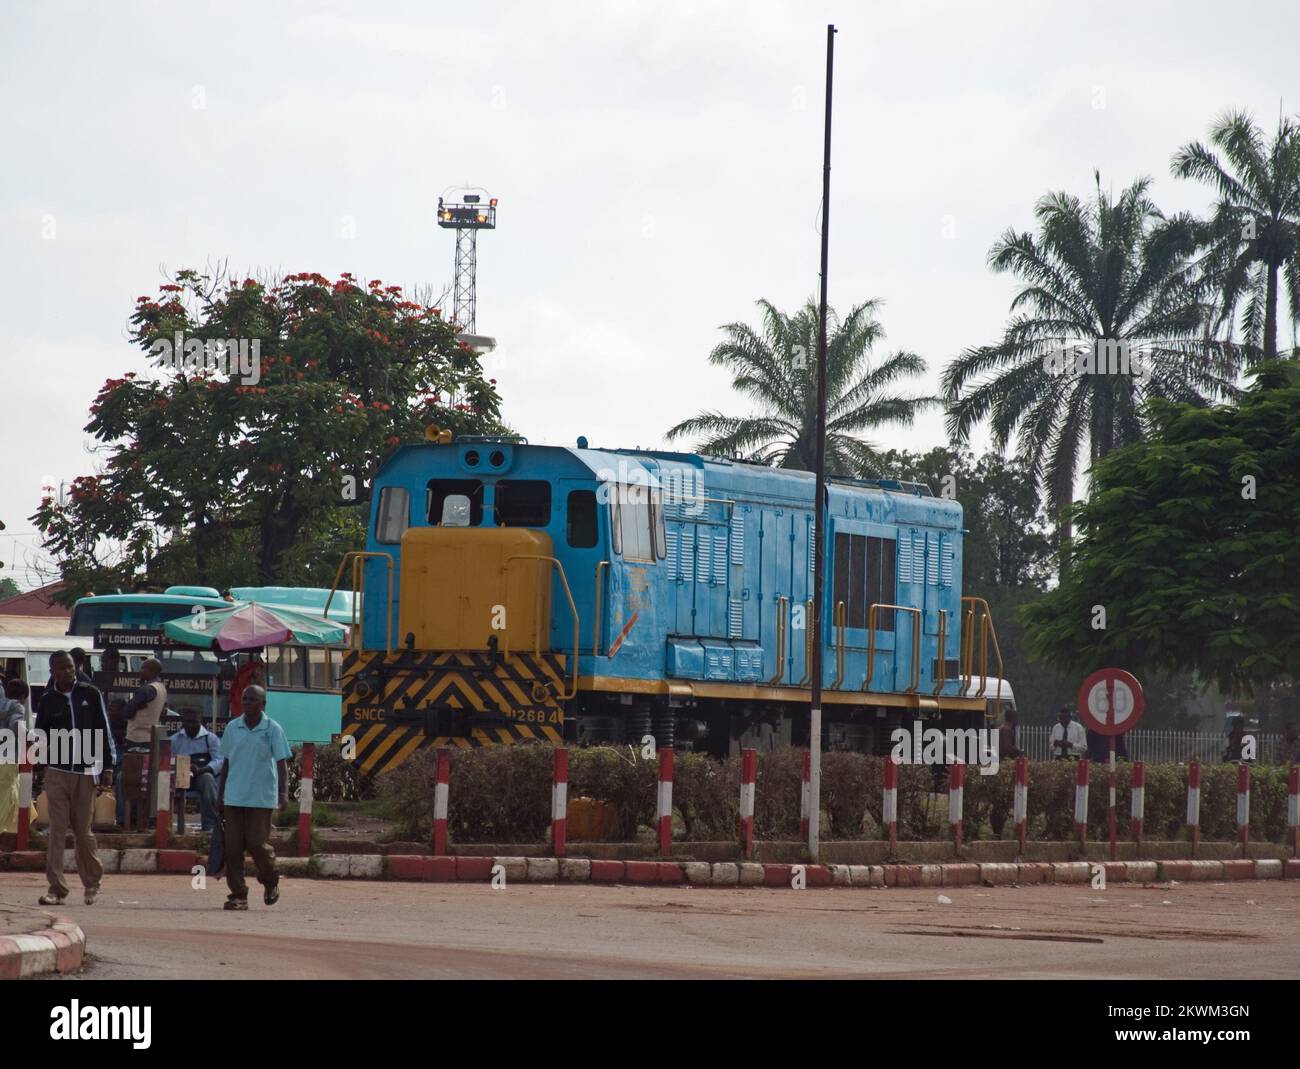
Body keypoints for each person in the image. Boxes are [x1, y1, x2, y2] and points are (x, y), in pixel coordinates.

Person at [33, 651, 115, 906]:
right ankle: (56, 889)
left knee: (82, 832)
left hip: (86, 772)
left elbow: (104, 729)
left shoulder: (90, 694)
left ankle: (92, 883)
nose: (67, 672)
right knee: (57, 831)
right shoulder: (47, 700)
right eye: (61, 668)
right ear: (53, 672)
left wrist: (108, 766)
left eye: (69, 667)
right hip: (58, 772)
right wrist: (38, 764)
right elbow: (41, 735)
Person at [217, 684, 290, 910]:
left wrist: (283, 793)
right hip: (234, 796)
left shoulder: (272, 729)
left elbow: (281, 763)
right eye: (244, 699)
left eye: (251, 700)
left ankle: (270, 880)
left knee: (258, 844)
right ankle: (238, 895)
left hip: (260, 797)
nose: (246, 703)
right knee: (233, 848)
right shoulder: (233, 727)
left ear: (263, 704)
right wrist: (221, 794)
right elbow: (227, 761)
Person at [169, 707, 224, 832]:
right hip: (179, 777)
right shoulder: (175, 740)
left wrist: (202, 769)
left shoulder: (211, 739)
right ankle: (158, 823)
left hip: (200, 776)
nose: (190, 725)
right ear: (183, 722)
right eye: (187, 721)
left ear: (201, 721)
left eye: (194, 722)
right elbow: (169, 761)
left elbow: (219, 761)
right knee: (161, 780)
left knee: (208, 780)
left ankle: (210, 825)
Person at [0, 680, 30, 834]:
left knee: (13, 791)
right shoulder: (17, 706)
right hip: (7, 757)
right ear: (22, 697)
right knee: (7, 793)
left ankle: (16, 828)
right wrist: (32, 738)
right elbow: (17, 726)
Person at [228, 653, 265, 718]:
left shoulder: (242, 673)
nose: (261, 674)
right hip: (241, 710)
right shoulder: (247, 678)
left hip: (238, 708)